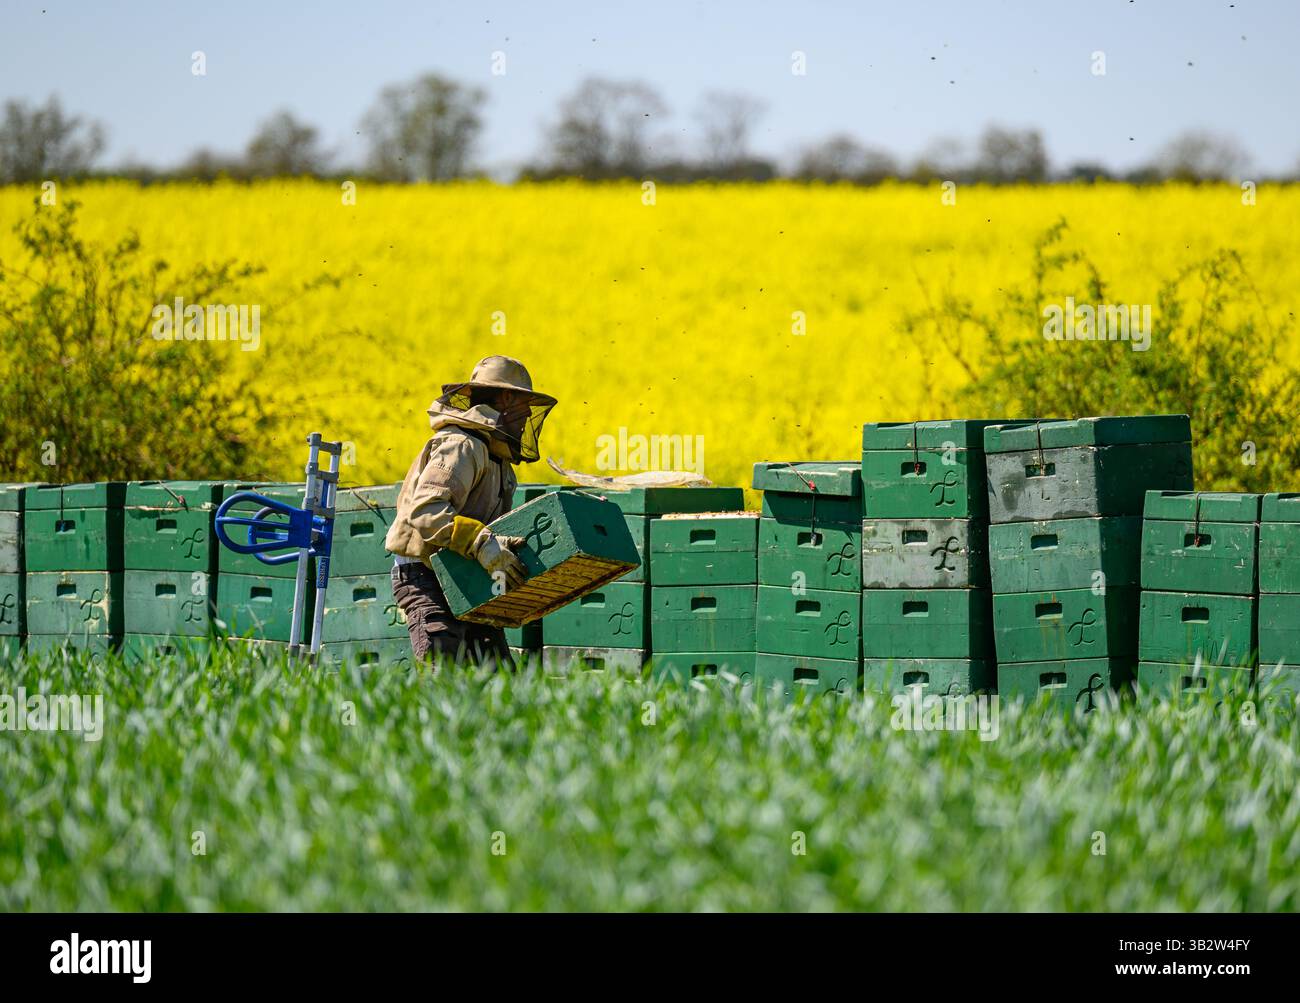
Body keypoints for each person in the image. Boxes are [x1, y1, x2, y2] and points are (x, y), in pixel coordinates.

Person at [385, 356, 557, 665]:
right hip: (424, 574)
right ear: (506, 399)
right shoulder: (461, 445)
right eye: (524, 405)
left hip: (466, 572)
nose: (527, 417)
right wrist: (481, 542)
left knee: (496, 680)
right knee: (443, 666)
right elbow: (426, 510)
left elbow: (494, 528)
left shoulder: (498, 461)